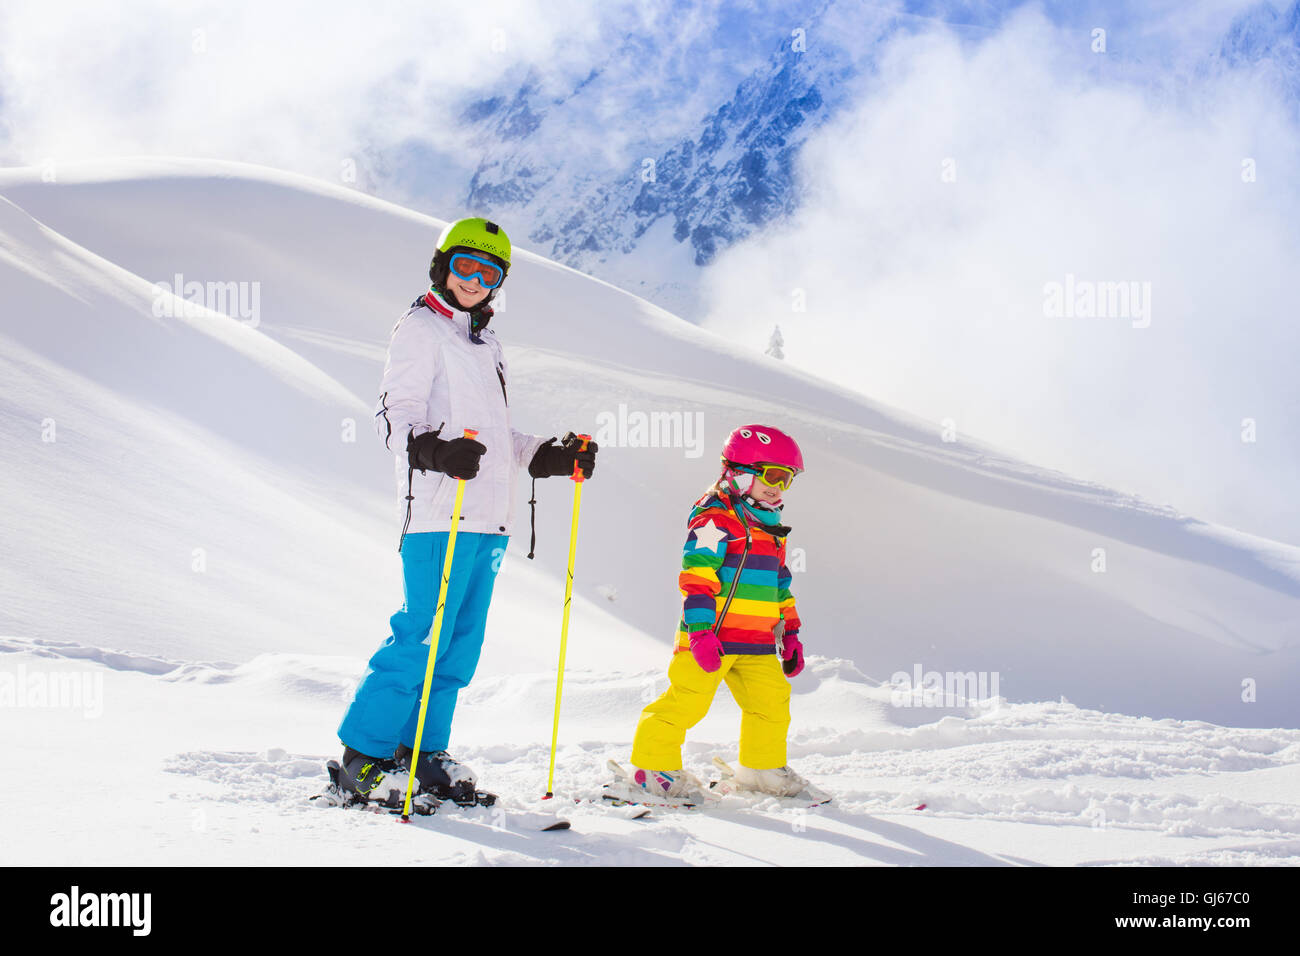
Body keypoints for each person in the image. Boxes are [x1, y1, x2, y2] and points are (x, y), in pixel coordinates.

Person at [334, 217, 597, 807]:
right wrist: (433, 450)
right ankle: (362, 756)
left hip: (486, 519)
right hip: (436, 514)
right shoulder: (420, 329)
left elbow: (496, 434)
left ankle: (421, 753)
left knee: (458, 647)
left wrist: (549, 456)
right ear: (442, 266)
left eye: (490, 272)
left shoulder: (484, 342)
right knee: (421, 634)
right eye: (465, 267)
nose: (476, 280)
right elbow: (395, 416)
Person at [627, 424, 815, 800]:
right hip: (713, 637)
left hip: (757, 640)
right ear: (739, 472)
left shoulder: (771, 527)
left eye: (787, 479)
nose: (779, 486)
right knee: (686, 701)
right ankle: (652, 770)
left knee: (771, 702)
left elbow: (780, 585)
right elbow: (696, 578)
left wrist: (790, 632)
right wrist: (699, 632)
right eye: (773, 475)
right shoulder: (714, 519)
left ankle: (760, 770)